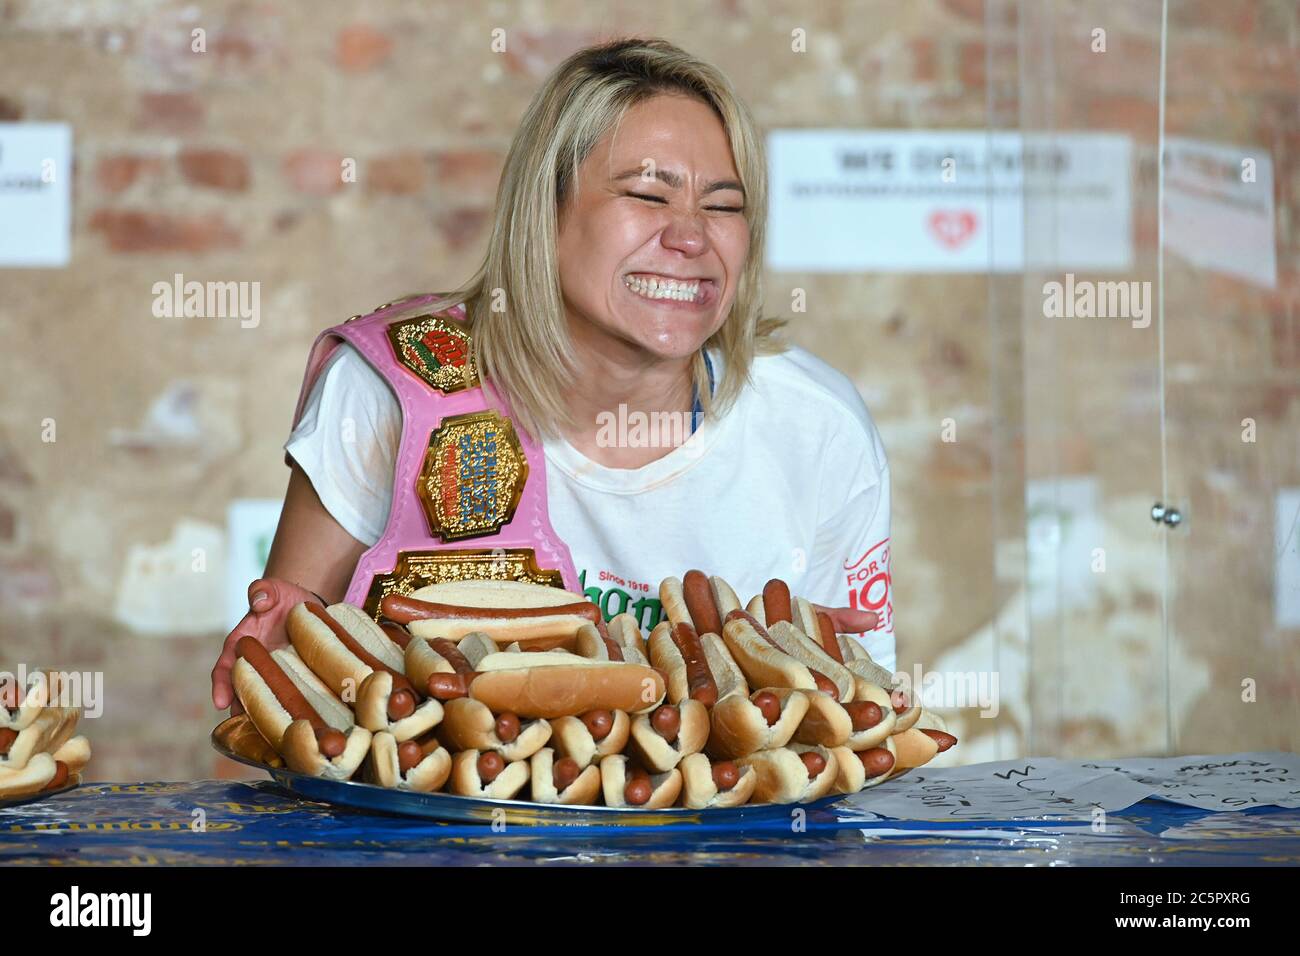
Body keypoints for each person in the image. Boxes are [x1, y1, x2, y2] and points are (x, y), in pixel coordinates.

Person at [211, 37, 893, 715]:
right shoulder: (388, 392)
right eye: (648, 195)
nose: (691, 237)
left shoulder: (817, 426)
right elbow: (282, 691)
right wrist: (285, 667)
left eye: (722, 206)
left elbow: (863, 718)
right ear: (547, 211)